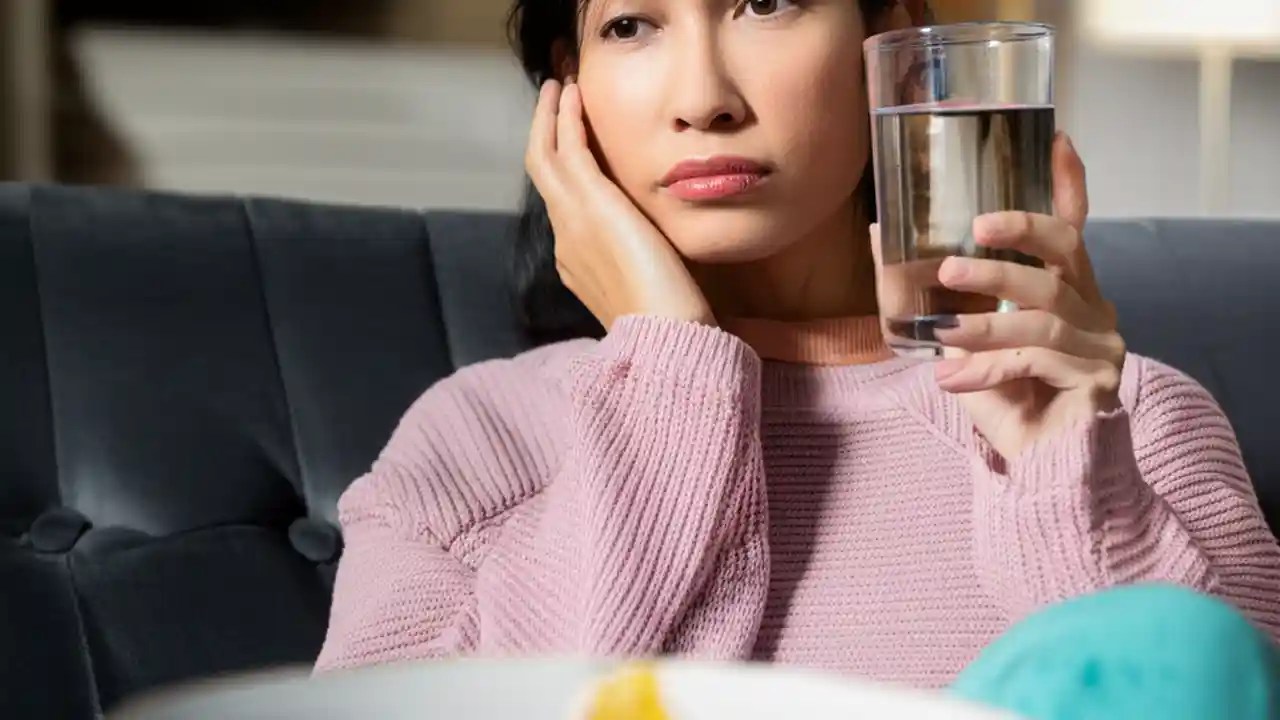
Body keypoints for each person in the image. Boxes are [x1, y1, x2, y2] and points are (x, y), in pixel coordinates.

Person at [314, 0, 1280, 691]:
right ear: (570, 90)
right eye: (631, 25)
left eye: (766, 0)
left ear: (891, 43)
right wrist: (667, 370)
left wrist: (1061, 467)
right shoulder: (474, 441)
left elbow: (1199, 688)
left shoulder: (1128, 413)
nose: (703, 99)